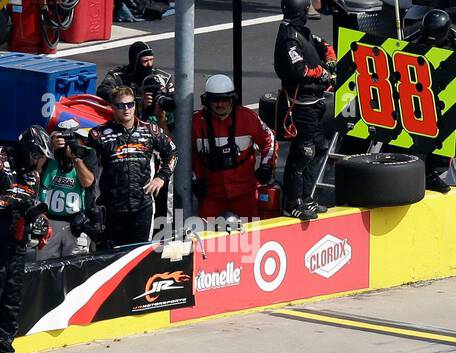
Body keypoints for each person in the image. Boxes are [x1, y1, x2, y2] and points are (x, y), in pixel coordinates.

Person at [86, 87, 176, 247]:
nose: (126, 109)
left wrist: (161, 177)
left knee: (138, 256)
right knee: (108, 258)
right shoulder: (98, 135)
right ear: (112, 107)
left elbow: (173, 152)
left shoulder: (150, 131)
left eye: (130, 104)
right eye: (120, 105)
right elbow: (88, 170)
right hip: (110, 208)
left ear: (135, 105)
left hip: (142, 206)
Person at [406, 8, 456, 194]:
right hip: (418, 84)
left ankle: (433, 173)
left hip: (447, 87)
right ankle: (411, 171)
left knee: (447, 128)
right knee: (413, 133)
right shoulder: (410, 36)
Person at [274, 0, 337, 219]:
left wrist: (330, 60)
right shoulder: (289, 39)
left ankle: (307, 197)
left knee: (319, 148)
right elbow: (300, 69)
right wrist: (324, 73)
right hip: (301, 106)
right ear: (299, 11)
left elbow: (323, 45)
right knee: (303, 152)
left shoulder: (302, 32)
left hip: (315, 102)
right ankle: (293, 202)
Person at [0, 128, 54, 353]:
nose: (36, 160)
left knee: (12, 300)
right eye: (35, 154)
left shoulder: (32, 175)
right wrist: (13, 203)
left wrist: (41, 221)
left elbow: (32, 204)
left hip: (16, 245)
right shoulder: (2, 158)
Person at [192, 75, 277, 221]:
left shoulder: (248, 118)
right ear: (206, 101)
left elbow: (270, 140)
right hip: (211, 195)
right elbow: (187, 155)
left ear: (232, 99)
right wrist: (195, 179)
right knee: (206, 236)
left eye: (224, 99)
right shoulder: (196, 123)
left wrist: (266, 166)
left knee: (251, 237)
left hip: (246, 194)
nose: (220, 104)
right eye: (215, 100)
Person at [40, 122, 99, 258]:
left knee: (76, 272)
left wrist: (76, 158)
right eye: (67, 139)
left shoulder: (88, 153)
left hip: (77, 223)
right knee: (45, 271)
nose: (73, 143)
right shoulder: (48, 154)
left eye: (77, 139)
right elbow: (36, 172)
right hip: (49, 221)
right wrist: (49, 148)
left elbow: (87, 182)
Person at [97, 41, 174, 105]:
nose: (149, 64)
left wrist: (164, 93)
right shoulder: (117, 76)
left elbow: (176, 96)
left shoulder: (163, 78)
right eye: (145, 61)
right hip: (129, 117)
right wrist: (128, 97)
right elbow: (102, 91)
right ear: (135, 61)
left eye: (151, 60)